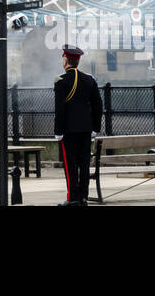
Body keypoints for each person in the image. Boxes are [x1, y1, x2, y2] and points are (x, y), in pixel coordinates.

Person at [54, 44, 102, 206]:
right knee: (84, 162)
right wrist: (96, 127)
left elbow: (60, 109)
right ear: (78, 61)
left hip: (68, 130)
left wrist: (58, 131)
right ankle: (83, 197)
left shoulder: (61, 81)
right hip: (86, 129)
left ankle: (72, 197)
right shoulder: (90, 80)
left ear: (66, 60)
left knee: (70, 165)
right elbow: (98, 106)